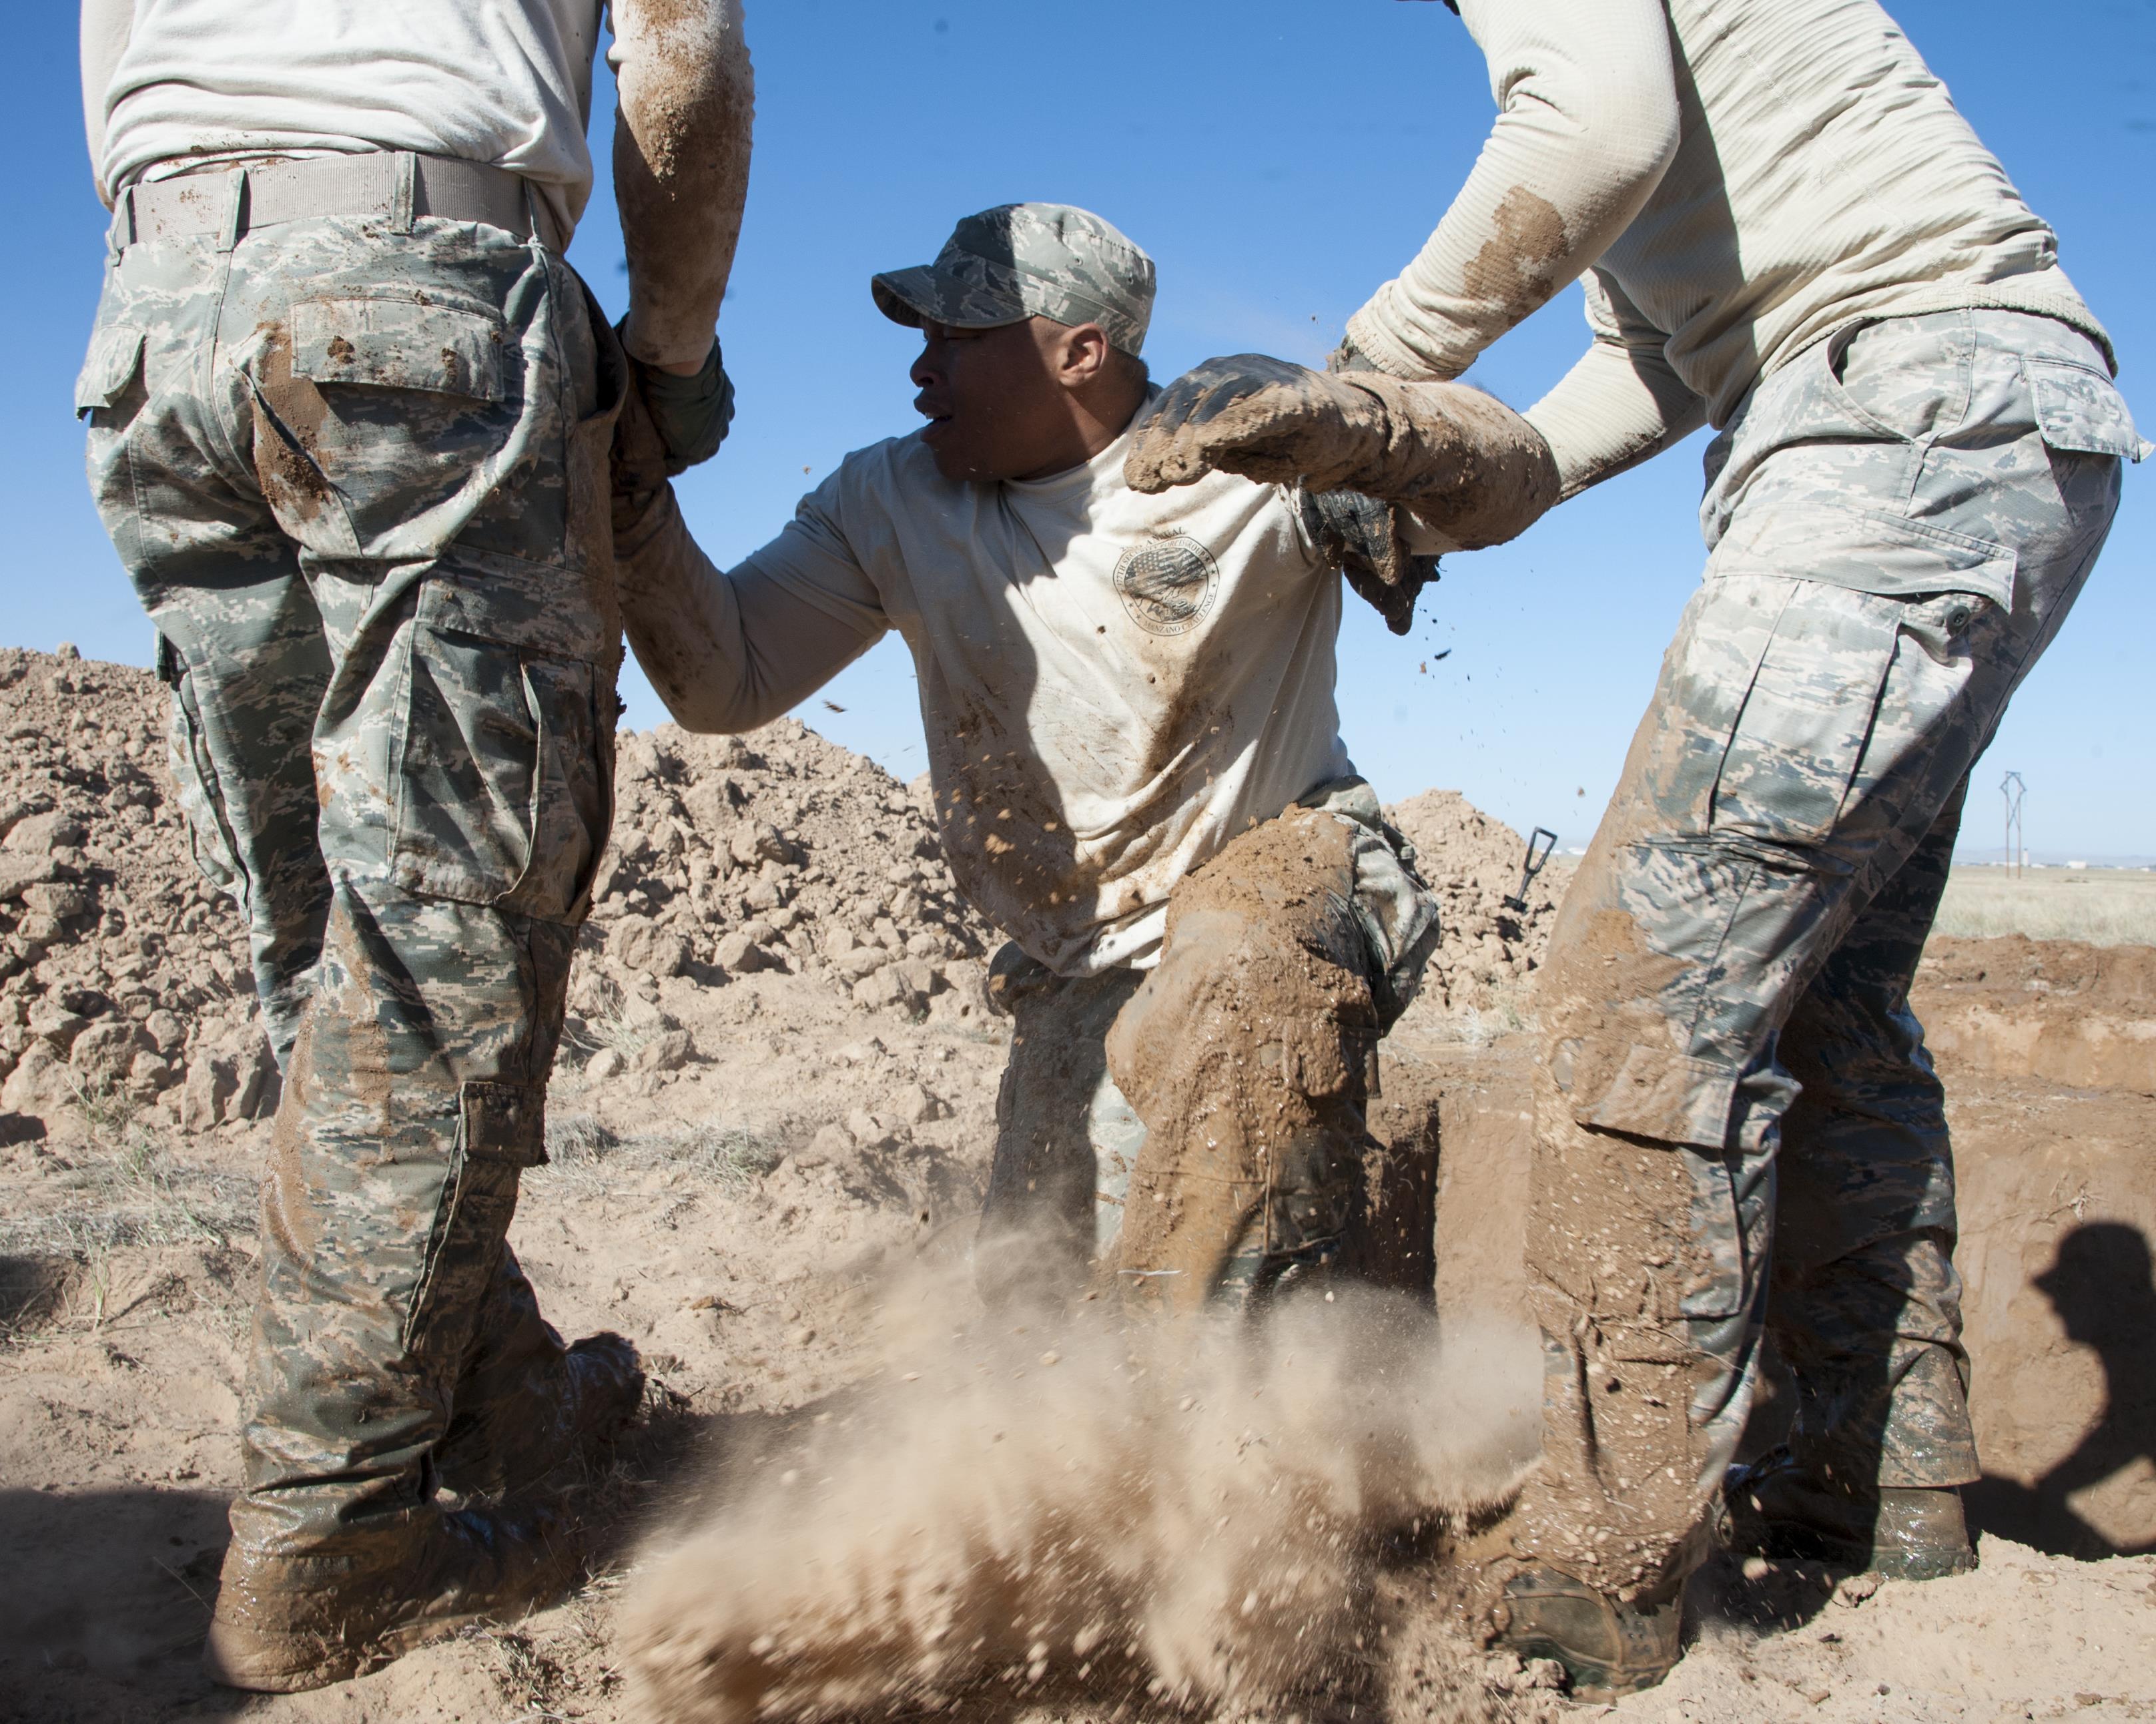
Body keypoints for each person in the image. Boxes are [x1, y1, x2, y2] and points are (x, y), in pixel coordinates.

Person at [1126, 0, 2148, 1697]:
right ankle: (1873, 1489)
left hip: (1889, 421)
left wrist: (1374, 361)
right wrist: (1396, 448)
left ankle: (1596, 1573)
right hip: (1989, 423)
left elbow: (1589, 134)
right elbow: (1621, 392)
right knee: (1822, 1007)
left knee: (1633, 998)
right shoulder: (1740, 157)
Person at [73, 0, 752, 1692]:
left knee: (328, 936)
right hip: (410, 304)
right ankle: (334, 1531)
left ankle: (497, 1395)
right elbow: (679, 56)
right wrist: (668, 359)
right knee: (446, 932)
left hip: (155, 318)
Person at [605, 204, 1545, 1311]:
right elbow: (724, 681)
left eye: (958, 339)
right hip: (1078, 962)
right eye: (925, 337)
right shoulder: (893, 499)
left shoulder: (1250, 455)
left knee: (1218, 1240)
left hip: (1276, 899)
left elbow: (1519, 479)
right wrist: (629, 499)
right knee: (1043, 1321)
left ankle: (1277, 1401)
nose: (921, 368)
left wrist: (1355, 421)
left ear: (1080, 352)